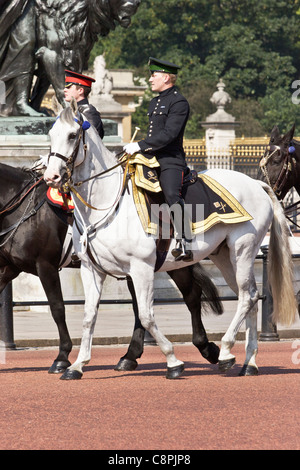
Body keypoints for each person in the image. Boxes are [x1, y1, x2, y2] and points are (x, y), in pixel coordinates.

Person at [123, 57, 193, 261]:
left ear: (165, 77)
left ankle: (185, 239)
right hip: (150, 157)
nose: (150, 79)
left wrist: (140, 145)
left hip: (170, 159)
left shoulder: (179, 102)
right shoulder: (155, 101)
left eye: (153, 75)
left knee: (171, 193)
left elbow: (170, 134)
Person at [64, 70, 104, 139]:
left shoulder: (89, 111)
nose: (65, 89)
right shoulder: (68, 110)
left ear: (80, 91)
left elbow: (91, 140)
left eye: (69, 87)